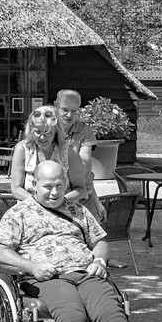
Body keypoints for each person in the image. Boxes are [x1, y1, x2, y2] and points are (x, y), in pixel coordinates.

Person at [0, 161, 148, 322]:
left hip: (85, 273)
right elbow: (1, 252)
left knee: (110, 308)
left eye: (59, 185)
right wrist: (31, 266)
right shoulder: (18, 214)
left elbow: (99, 241)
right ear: (34, 185)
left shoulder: (77, 210)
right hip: (48, 278)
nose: (54, 192)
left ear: (66, 184)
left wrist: (99, 259)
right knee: (70, 311)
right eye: (48, 186)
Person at [10, 105, 88, 205]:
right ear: (31, 130)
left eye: (48, 133)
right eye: (37, 132)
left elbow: (81, 189)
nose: (42, 137)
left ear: (56, 131)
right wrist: (41, 204)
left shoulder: (69, 151)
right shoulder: (22, 149)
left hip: (62, 207)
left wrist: (58, 202)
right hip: (30, 207)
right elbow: (16, 189)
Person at [56, 89, 106, 223]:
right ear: (56, 106)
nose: (69, 115)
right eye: (64, 110)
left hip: (82, 198)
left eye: (74, 111)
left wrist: (97, 203)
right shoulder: (47, 131)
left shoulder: (85, 131)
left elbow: (85, 169)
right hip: (54, 196)